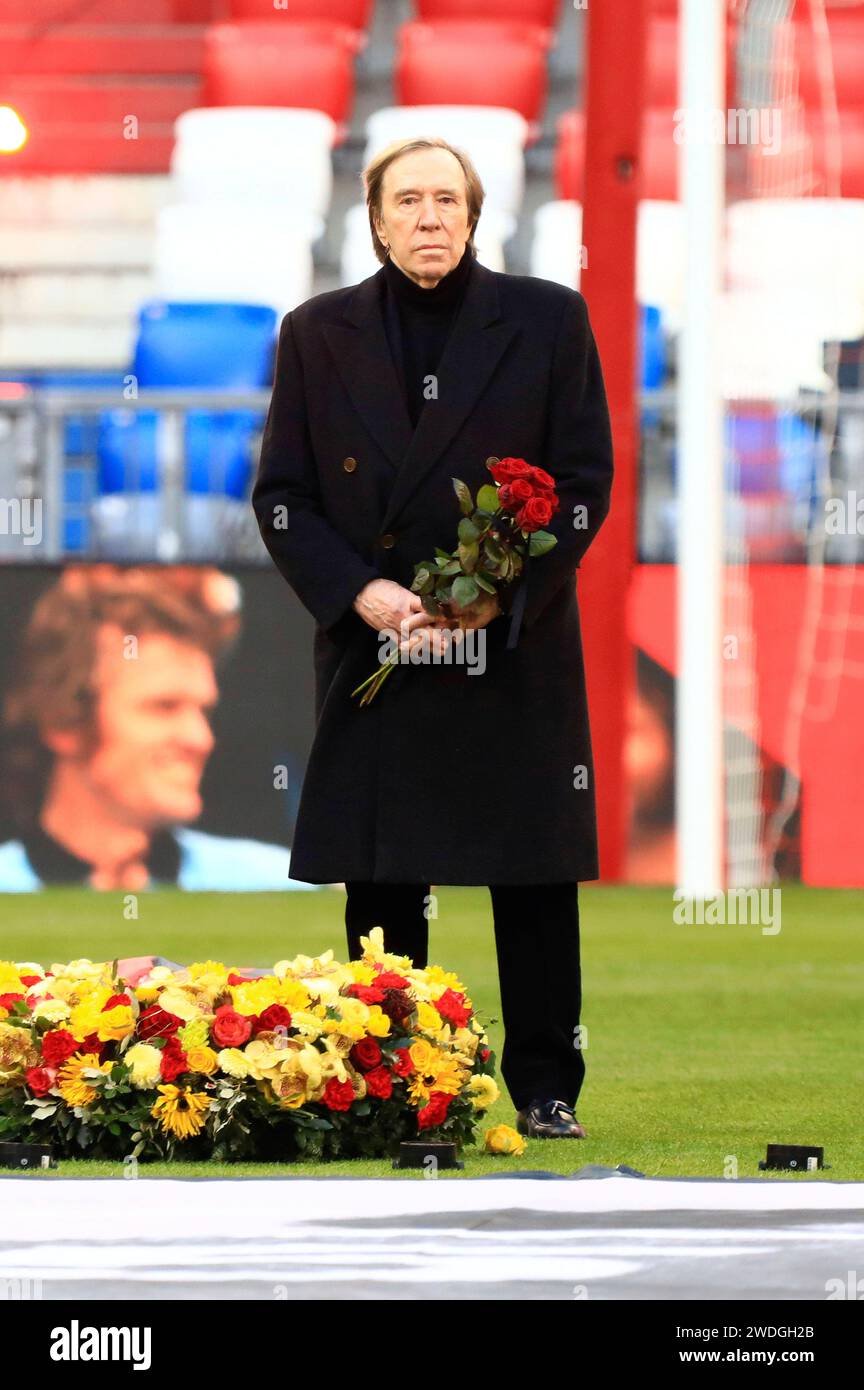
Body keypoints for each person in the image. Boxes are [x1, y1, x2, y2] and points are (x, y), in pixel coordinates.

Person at [253, 137, 614, 1138]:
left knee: (533, 875)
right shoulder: (316, 332)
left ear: (473, 213)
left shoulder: (547, 321)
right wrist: (361, 593)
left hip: (514, 647)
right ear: (374, 218)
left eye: (446, 201)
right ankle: (391, 1077)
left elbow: (583, 490)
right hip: (383, 648)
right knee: (382, 875)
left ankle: (546, 1089)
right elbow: (283, 499)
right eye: (407, 200)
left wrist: (503, 597)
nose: (428, 218)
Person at [0, 566, 317, 892]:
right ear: (63, 722)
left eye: (204, 712)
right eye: (164, 707)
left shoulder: (276, 887)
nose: (201, 740)